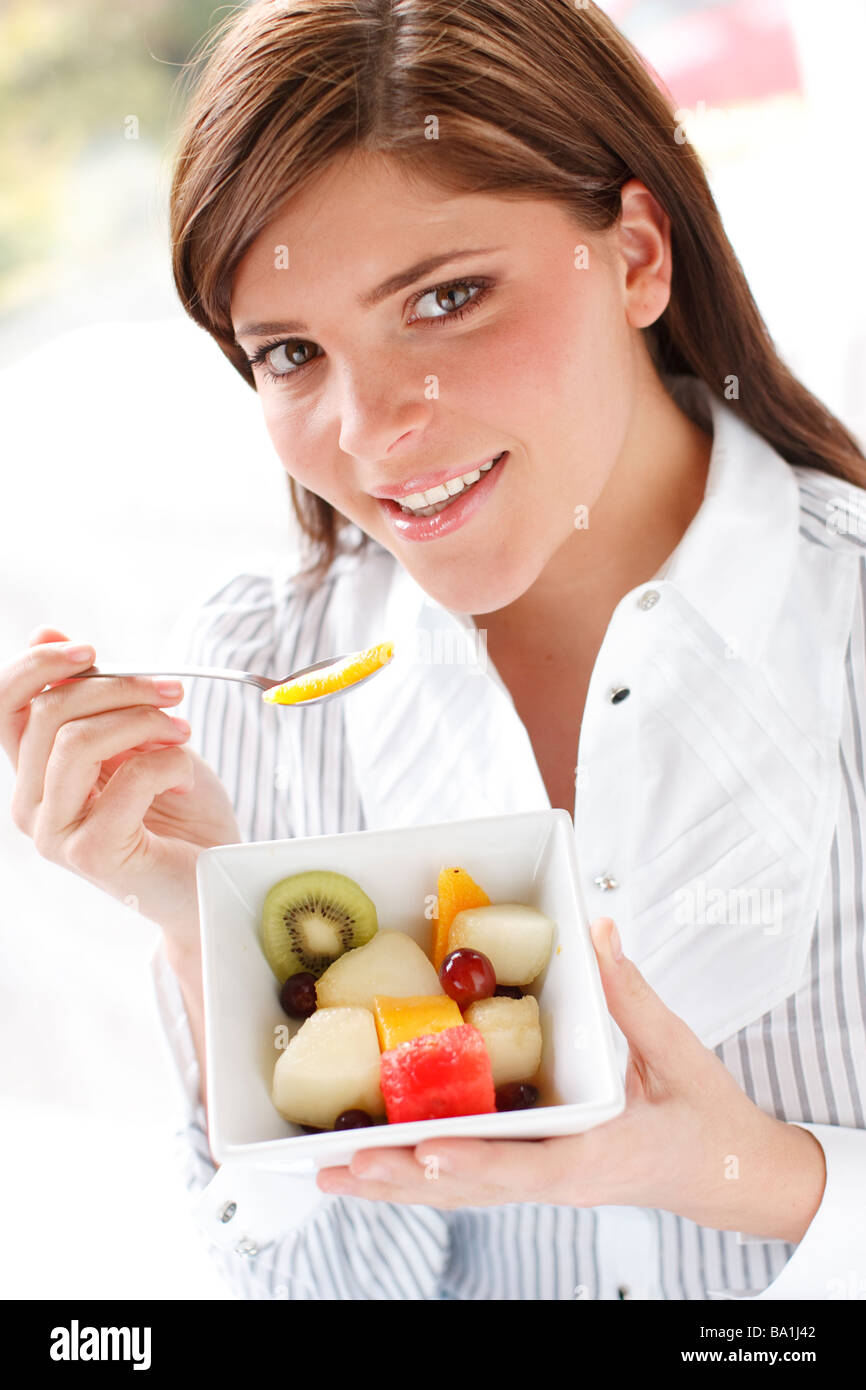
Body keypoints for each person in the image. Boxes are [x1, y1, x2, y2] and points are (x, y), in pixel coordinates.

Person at [4, 0, 865, 1300]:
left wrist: (744, 1168)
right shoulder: (258, 679)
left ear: (634, 254)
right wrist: (219, 945)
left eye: (446, 297)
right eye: (291, 353)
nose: (373, 428)